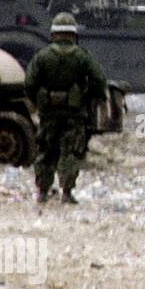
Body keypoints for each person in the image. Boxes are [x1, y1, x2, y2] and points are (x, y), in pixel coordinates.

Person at [24, 13, 108, 204]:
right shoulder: (82, 56)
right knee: (69, 152)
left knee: (45, 151)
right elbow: (99, 80)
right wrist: (88, 98)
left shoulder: (42, 56)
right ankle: (67, 193)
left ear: (53, 34)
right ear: (73, 35)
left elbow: (29, 84)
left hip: (48, 113)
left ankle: (43, 193)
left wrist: (38, 101)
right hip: (73, 113)